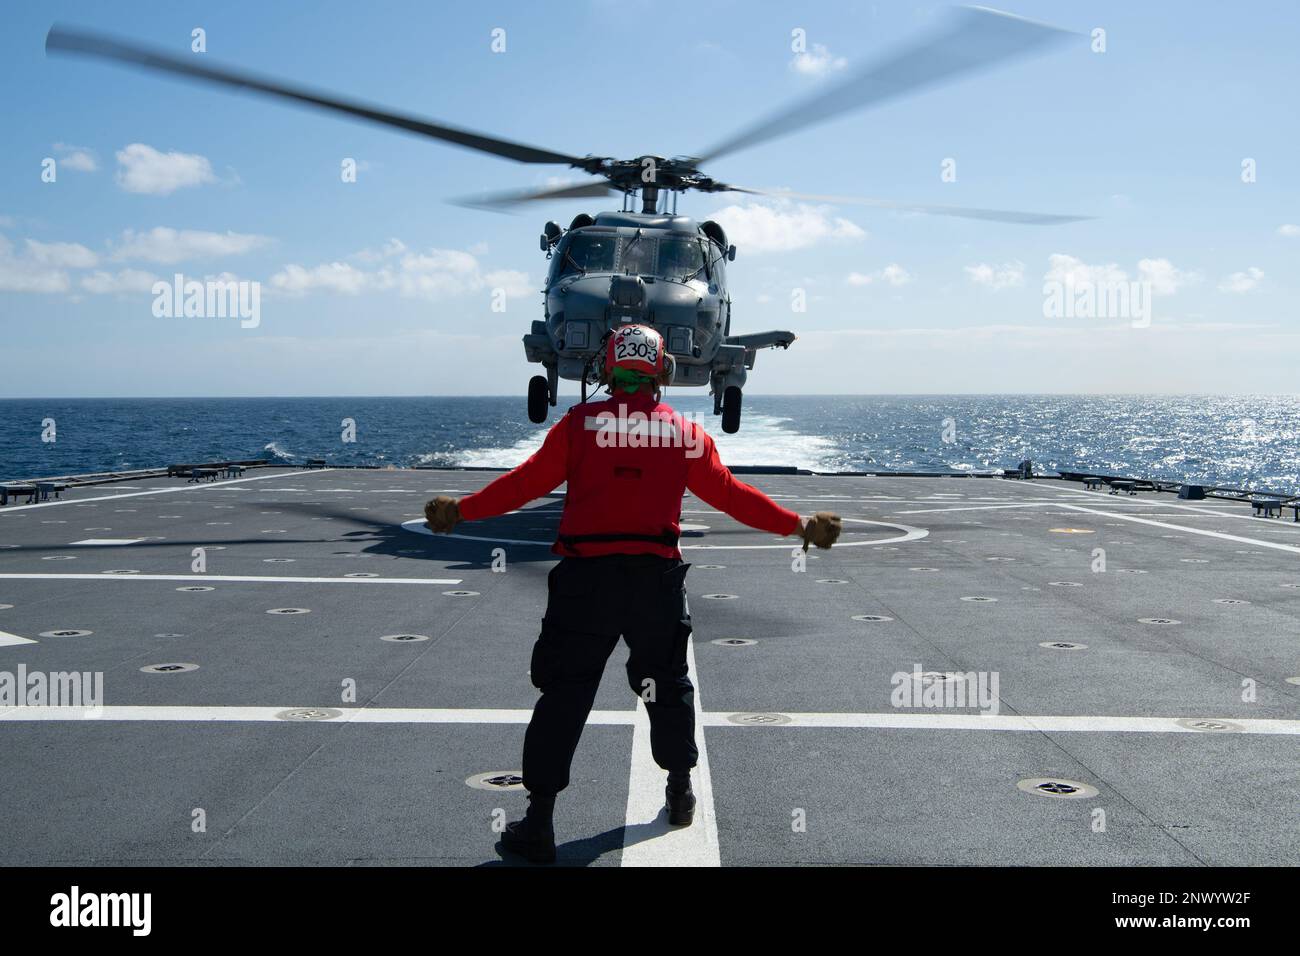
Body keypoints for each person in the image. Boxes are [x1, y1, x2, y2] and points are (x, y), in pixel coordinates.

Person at [424, 324, 841, 863]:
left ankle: (541, 823)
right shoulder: (685, 436)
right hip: (655, 585)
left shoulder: (579, 427)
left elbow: (526, 484)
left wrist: (462, 510)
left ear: (606, 371)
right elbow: (732, 496)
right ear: (662, 373)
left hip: (586, 585)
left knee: (564, 695)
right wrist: (799, 524)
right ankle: (679, 791)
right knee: (666, 687)